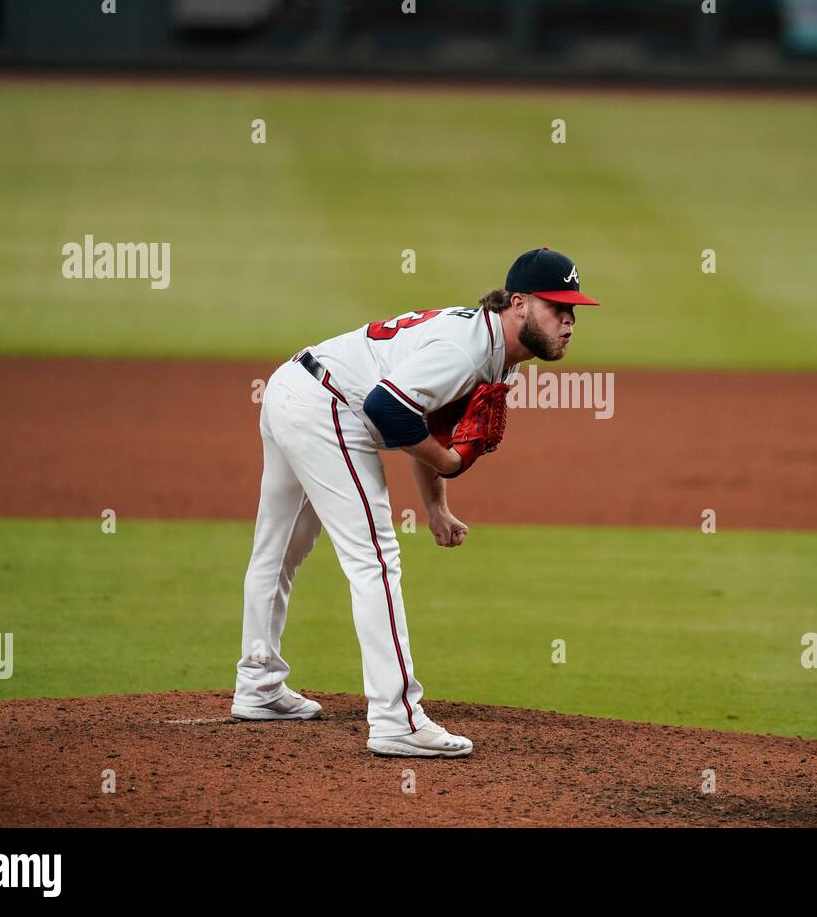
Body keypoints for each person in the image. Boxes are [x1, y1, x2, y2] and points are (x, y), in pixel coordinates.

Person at [232, 248, 599, 757]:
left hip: (295, 388)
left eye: (573, 310)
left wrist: (435, 507)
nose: (568, 321)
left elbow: (423, 419)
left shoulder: (491, 348)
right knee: (375, 560)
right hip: (328, 408)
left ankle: (259, 684)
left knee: (281, 549)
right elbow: (387, 409)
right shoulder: (468, 353)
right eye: (556, 307)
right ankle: (395, 718)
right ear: (518, 304)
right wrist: (447, 464)